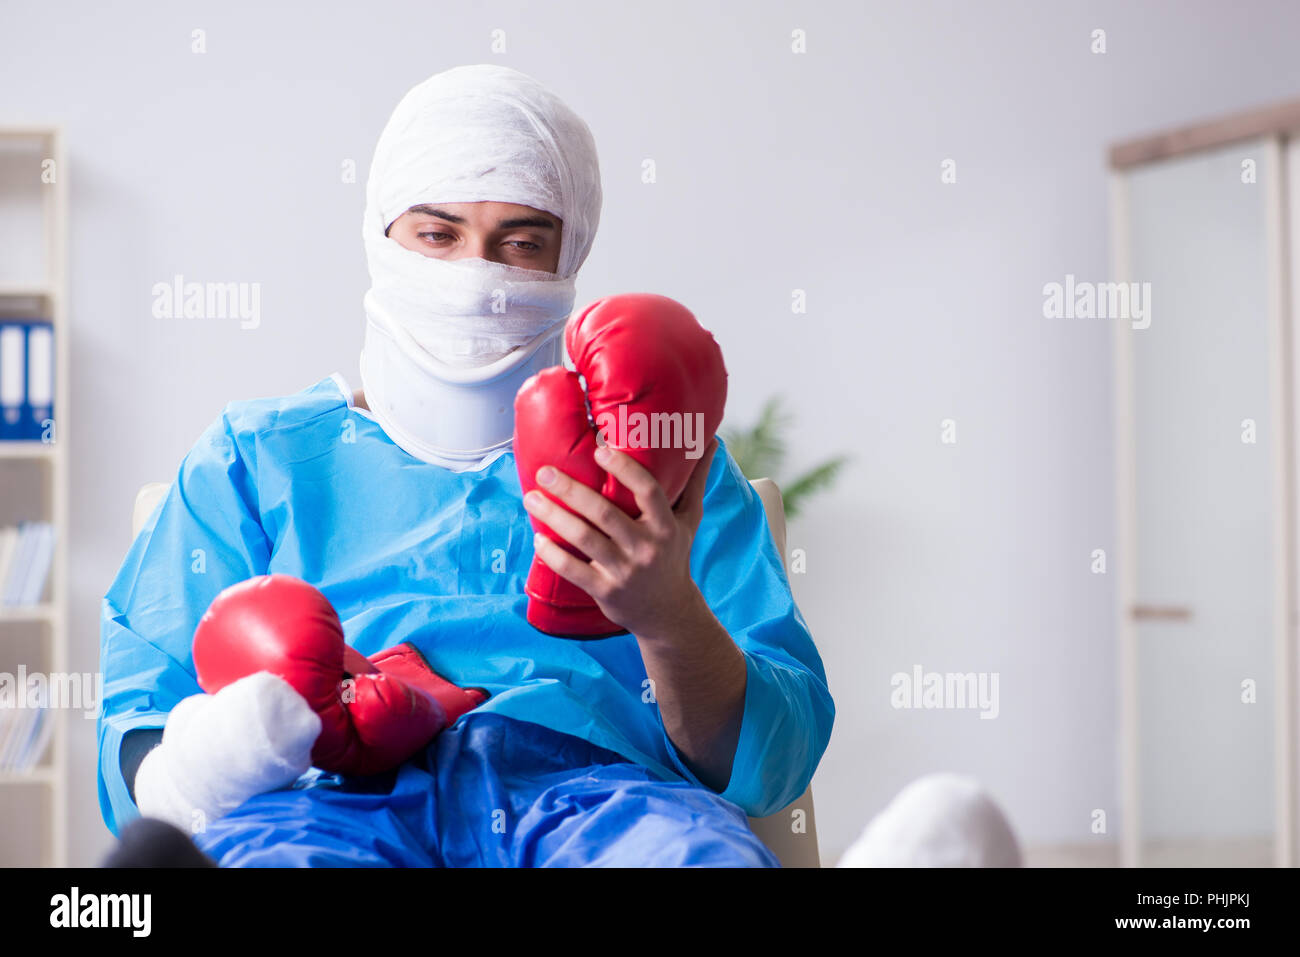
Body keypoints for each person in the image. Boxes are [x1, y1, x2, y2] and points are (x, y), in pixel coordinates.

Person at [96, 64, 835, 867]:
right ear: (383, 236)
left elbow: (773, 761)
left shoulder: (662, 460)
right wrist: (243, 740)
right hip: (329, 808)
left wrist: (668, 616)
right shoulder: (254, 459)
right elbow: (138, 729)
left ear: (570, 254)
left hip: (602, 805)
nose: (476, 276)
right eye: (438, 234)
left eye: (520, 242)